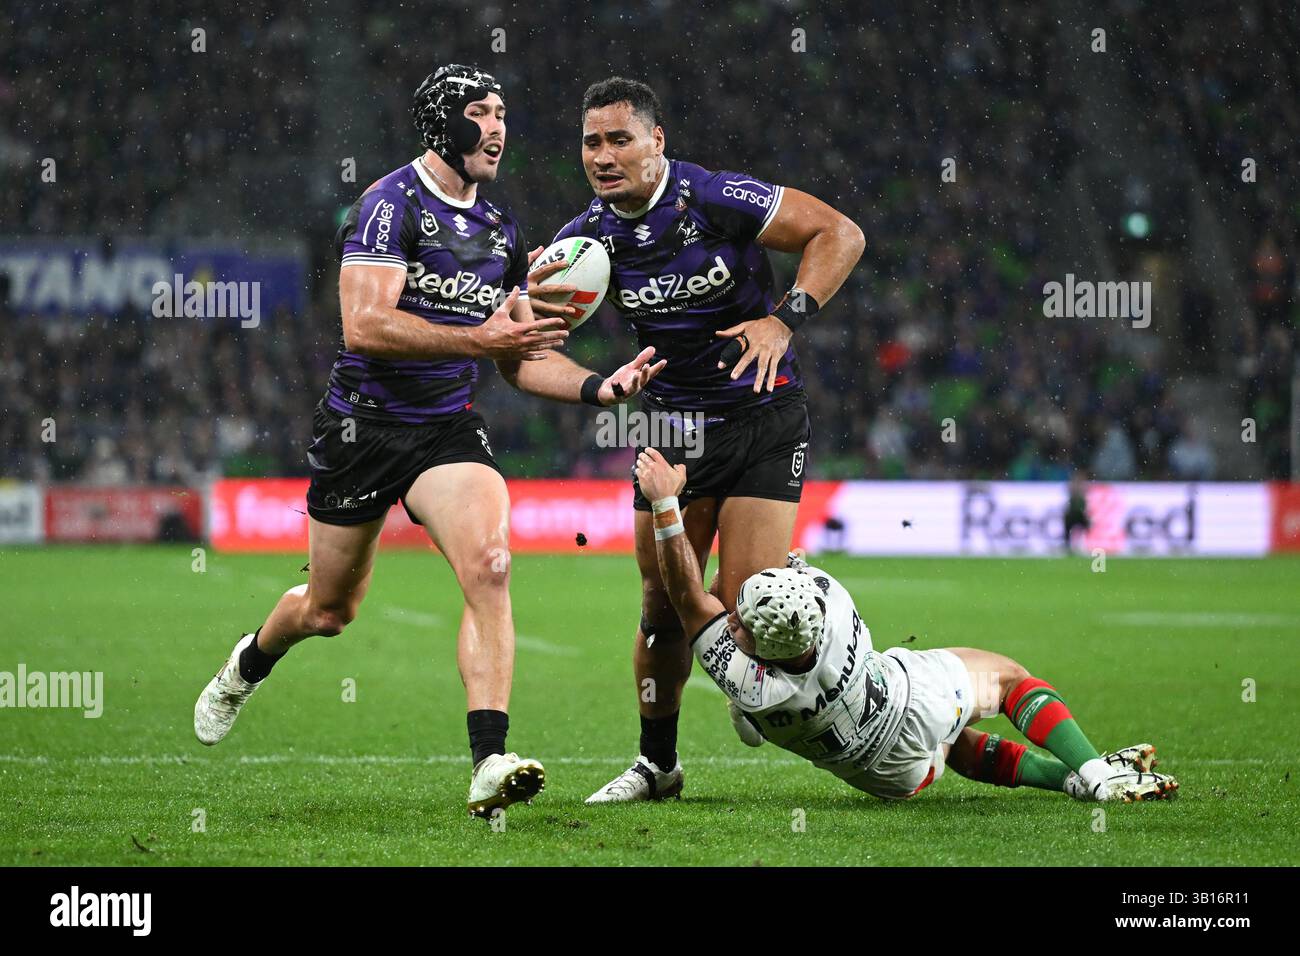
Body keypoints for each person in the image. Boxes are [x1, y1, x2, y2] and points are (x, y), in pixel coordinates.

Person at [193, 64, 662, 820]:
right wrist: (479, 335)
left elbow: (516, 357)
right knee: (328, 609)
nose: (499, 127)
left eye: (504, 112)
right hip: (362, 428)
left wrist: (594, 386)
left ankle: (489, 763)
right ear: (443, 124)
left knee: (493, 565)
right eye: (481, 112)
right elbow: (364, 324)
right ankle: (247, 665)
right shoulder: (388, 204)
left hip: (445, 429)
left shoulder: (503, 231)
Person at [526, 77, 865, 803]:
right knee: (659, 606)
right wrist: (596, 383)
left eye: (620, 139)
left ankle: (751, 662)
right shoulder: (584, 241)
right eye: (592, 141)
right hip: (671, 428)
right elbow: (526, 352)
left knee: (746, 613)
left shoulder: (713, 198)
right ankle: (658, 766)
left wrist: (784, 319)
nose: (604, 155)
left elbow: (840, 233)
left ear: (657, 141)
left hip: (764, 417)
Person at [631, 446, 1181, 803]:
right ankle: (1097, 772)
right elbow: (751, 593)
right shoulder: (833, 601)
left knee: (955, 744)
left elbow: (687, 595)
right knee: (1007, 681)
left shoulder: (749, 680)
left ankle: (1072, 780)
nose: (735, 621)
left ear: (755, 648)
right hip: (907, 704)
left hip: (893, 781)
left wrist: (664, 505)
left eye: (741, 623)